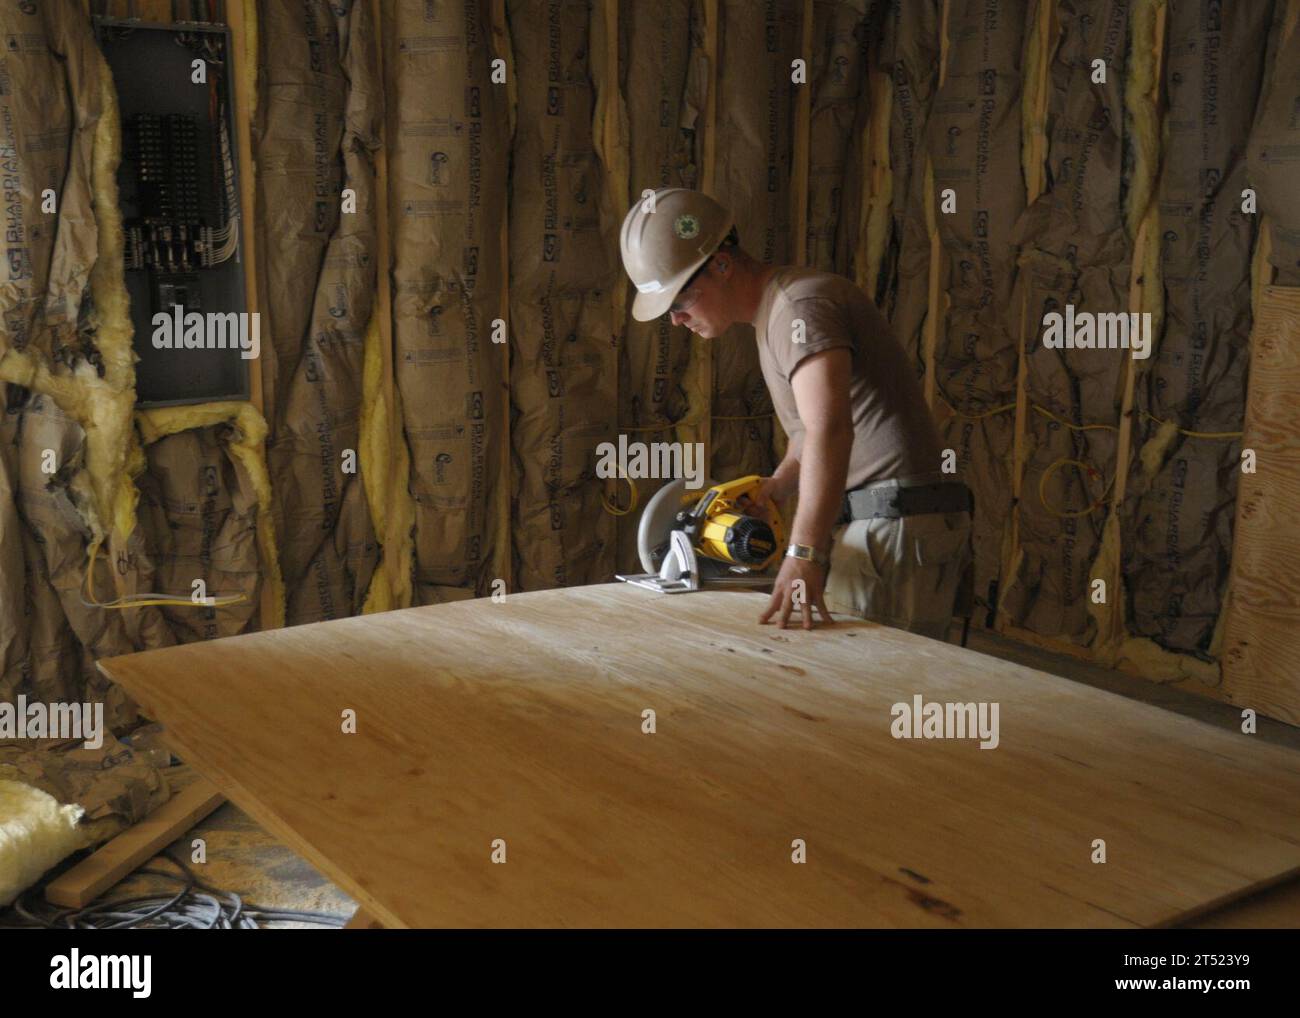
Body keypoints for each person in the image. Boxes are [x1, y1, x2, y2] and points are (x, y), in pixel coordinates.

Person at [619, 187, 972, 636]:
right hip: (878, 524)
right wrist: (776, 487)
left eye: (679, 302)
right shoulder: (779, 313)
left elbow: (831, 430)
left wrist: (804, 553)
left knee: (878, 698)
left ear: (723, 265)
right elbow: (812, 433)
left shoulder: (798, 308)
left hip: (890, 525)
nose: (676, 320)